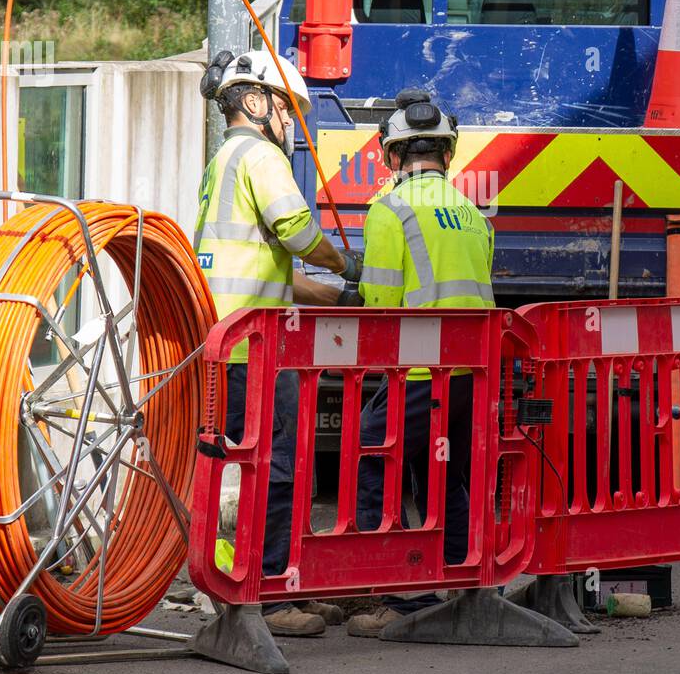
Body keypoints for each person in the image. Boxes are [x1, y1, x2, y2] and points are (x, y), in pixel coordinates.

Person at [194, 48, 364, 635]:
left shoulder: (224, 161)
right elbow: (297, 233)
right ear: (256, 101)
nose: (293, 122)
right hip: (255, 347)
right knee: (279, 465)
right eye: (288, 108)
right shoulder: (261, 156)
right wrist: (345, 264)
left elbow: (271, 268)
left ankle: (270, 584)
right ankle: (268, 594)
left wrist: (332, 297)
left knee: (242, 462)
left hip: (225, 341)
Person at [344, 89, 495, 638]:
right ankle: (460, 578)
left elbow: (381, 305)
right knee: (449, 475)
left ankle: (388, 589)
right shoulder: (472, 214)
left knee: (372, 454)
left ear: (392, 156)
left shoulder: (390, 209)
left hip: (419, 370)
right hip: (472, 372)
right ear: (448, 156)